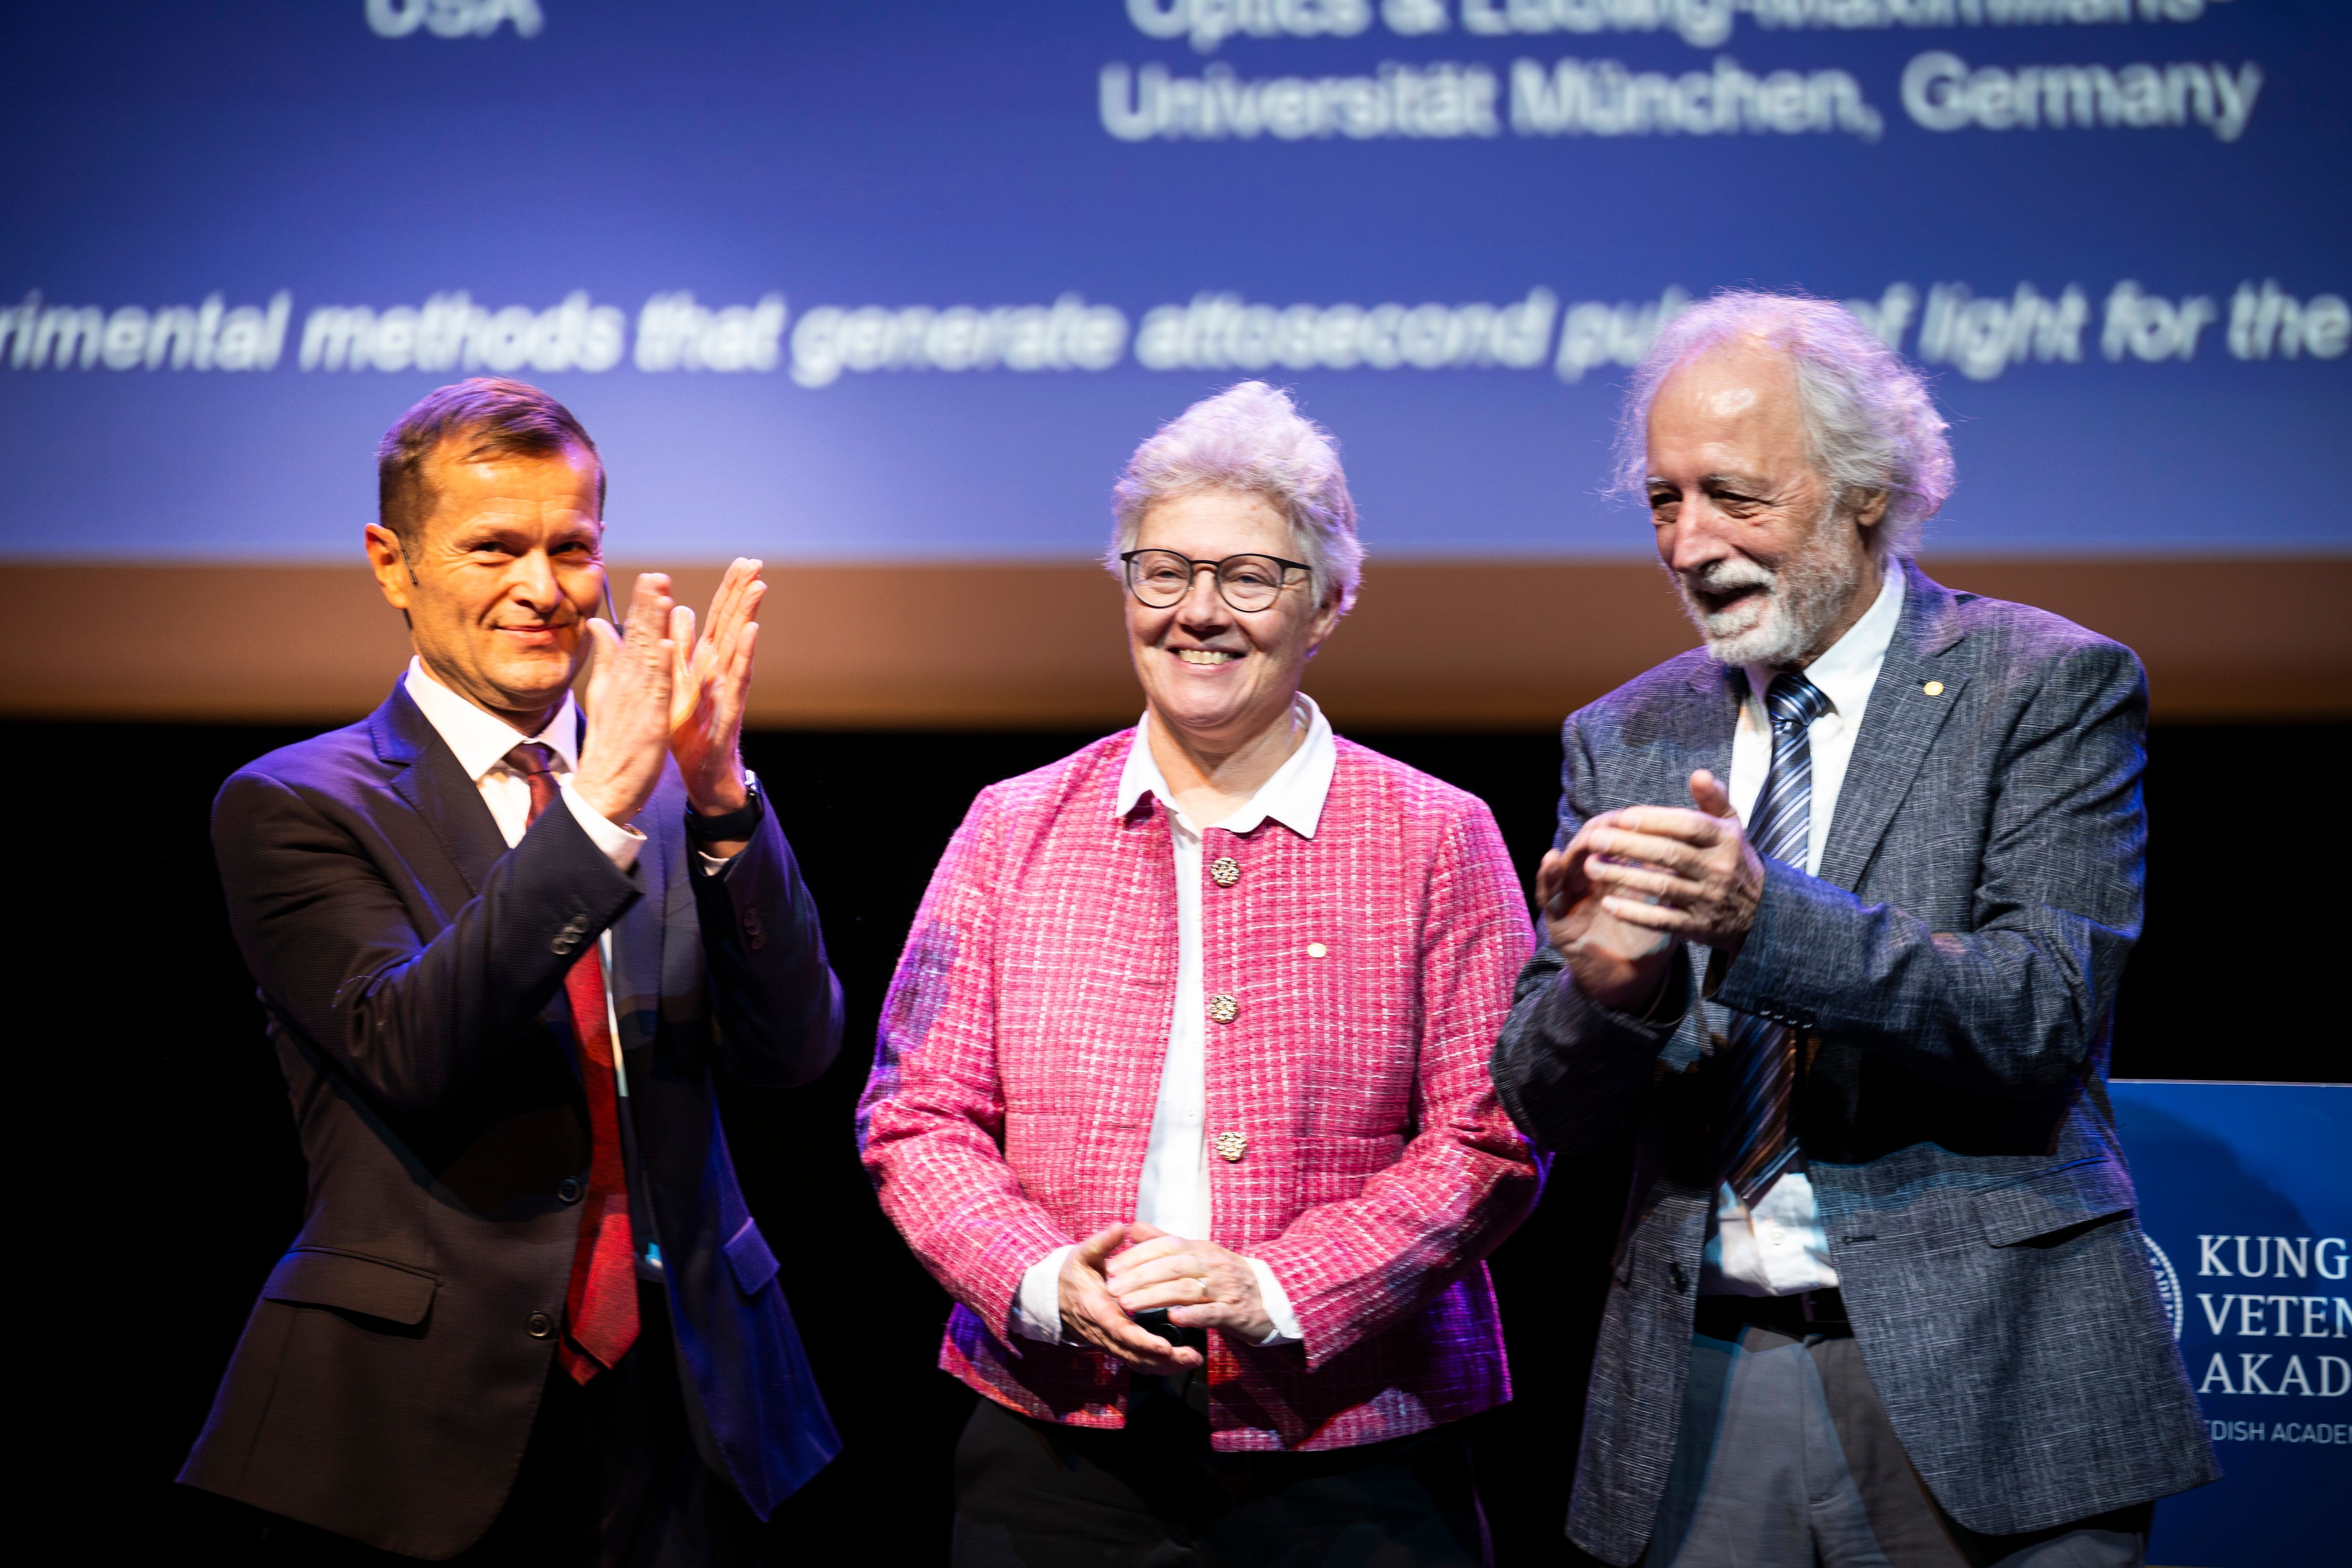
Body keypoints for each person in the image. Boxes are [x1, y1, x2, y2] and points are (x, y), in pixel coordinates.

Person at [1491, 292, 2216, 1568]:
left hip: (1988, 1372)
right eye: (1664, 500)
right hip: (1704, 1375)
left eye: (1733, 493)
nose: (1690, 540)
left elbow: (2039, 1008)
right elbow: (1549, 1109)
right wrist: (1608, 993)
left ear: (1865, 490)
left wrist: (1765, 919)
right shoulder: (1629, 733)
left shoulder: (2041, 681)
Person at [858, 382, 1540, 1565]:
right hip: (1055, 1445)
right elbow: (916, 1115)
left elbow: (1492, 1140)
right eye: (1163, 572)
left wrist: (1274, 1285)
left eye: (1250, 578)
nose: (1197, 612)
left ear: (1326, 602)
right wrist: (1035, 1275)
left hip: (1353, 1454)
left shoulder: (1438, 835)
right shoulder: (1012, 825)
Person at [181, 378, 843, 1565]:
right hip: (421, 1415)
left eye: (571, 547)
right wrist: (597, 807)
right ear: (393, 563)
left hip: (697, 1402)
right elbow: (413, 1048)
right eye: (495, 547)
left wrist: (722, 792)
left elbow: (794, 1049)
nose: (543, 588)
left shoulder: (666, 789)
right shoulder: (295, 803)